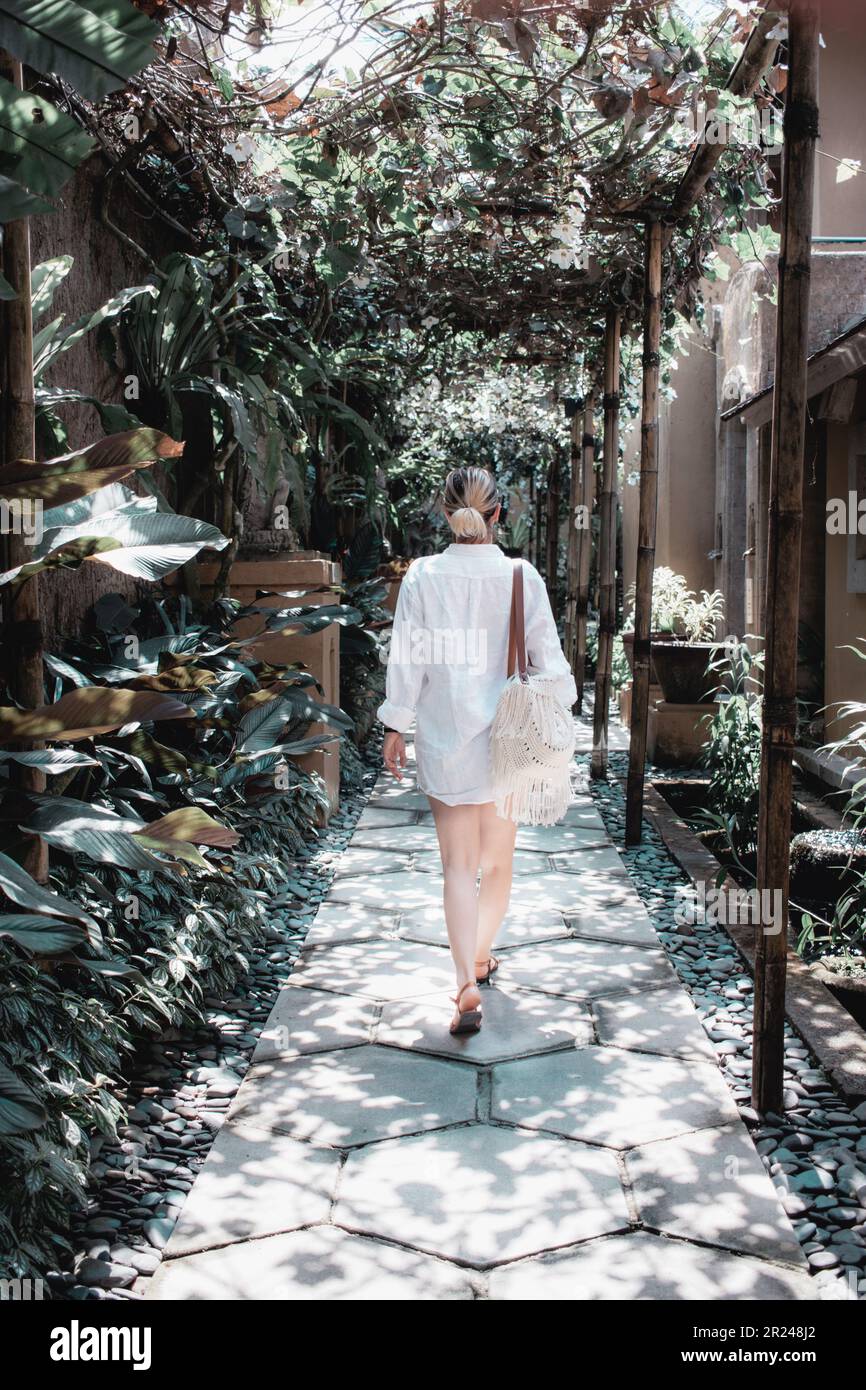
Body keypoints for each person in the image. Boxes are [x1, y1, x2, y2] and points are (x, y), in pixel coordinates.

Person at [377, 466, 577, 1036]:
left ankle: (466, 980)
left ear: (445, 513)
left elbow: (406, 659)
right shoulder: (520, 576)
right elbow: (550, 661)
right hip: (509, 742)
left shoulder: (422, 576)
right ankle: (483, 956)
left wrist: (396, 724)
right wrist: (561, 704)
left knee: (457, 867)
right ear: (497, 515)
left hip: (445, 738)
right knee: (497, 864)